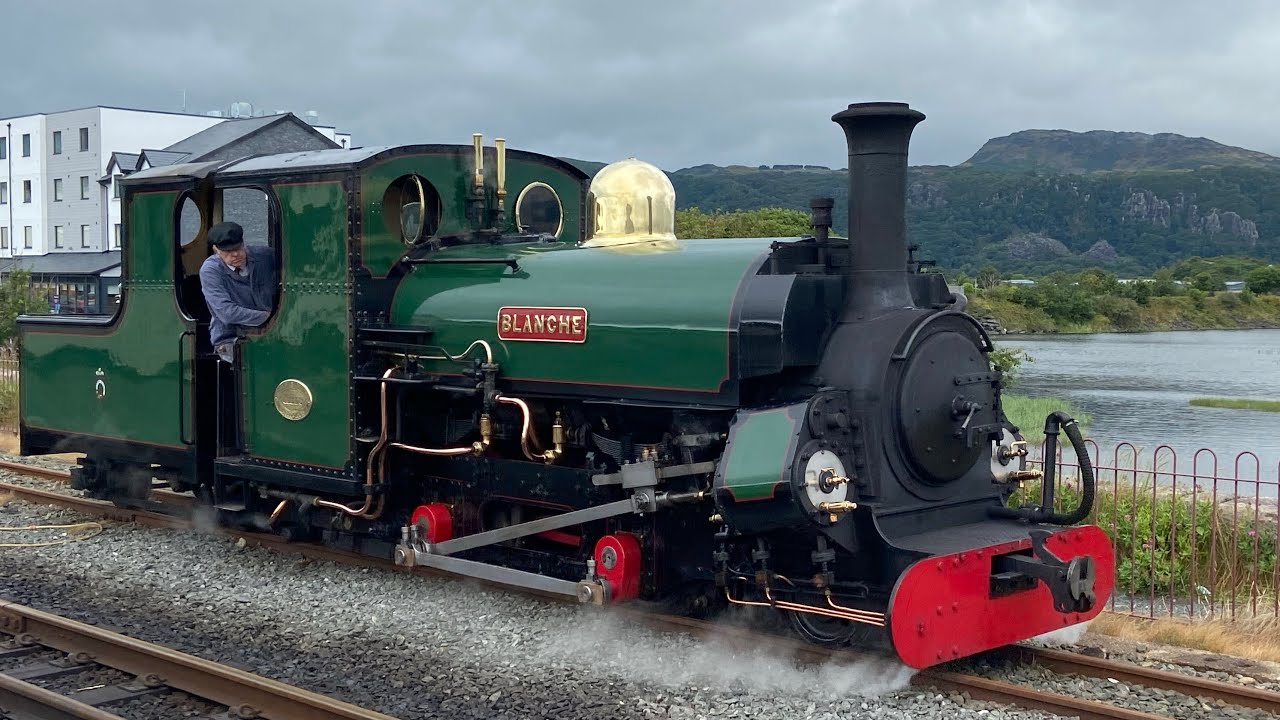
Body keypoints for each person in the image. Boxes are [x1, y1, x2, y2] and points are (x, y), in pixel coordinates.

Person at [199, 221, 276, 363]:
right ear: (216, 250)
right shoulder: (210, 270)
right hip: (231, 338)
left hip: (272, 332)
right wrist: (272, 317)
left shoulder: (265, 256)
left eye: (238, 248)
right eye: (228, 251)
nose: (235, 254)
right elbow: (227, 313)